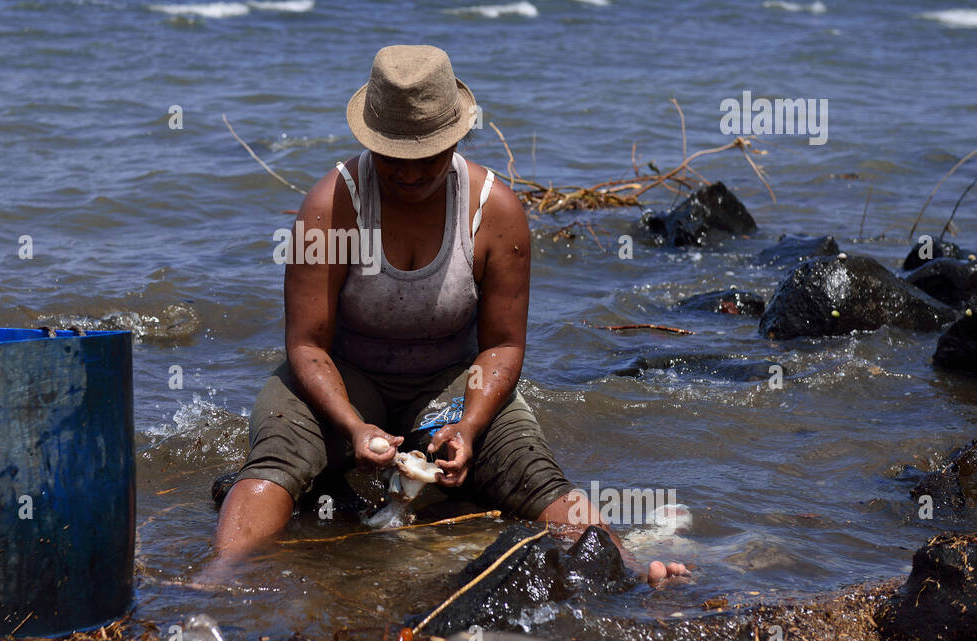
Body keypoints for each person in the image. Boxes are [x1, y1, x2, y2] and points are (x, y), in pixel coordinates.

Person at [209, 44, 688, 584]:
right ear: (369, 141)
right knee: (278, 460)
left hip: (451, 383)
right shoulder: (332, 205)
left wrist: (471, 424)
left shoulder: (494, 210)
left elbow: (503, 346)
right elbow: (307, 344)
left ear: (456, 137)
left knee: (533, 474)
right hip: (344, 377)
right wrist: (351, 425)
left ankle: (625, 567)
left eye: (427, 158)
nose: (410, 174)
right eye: (394, 158)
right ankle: (219, 578)